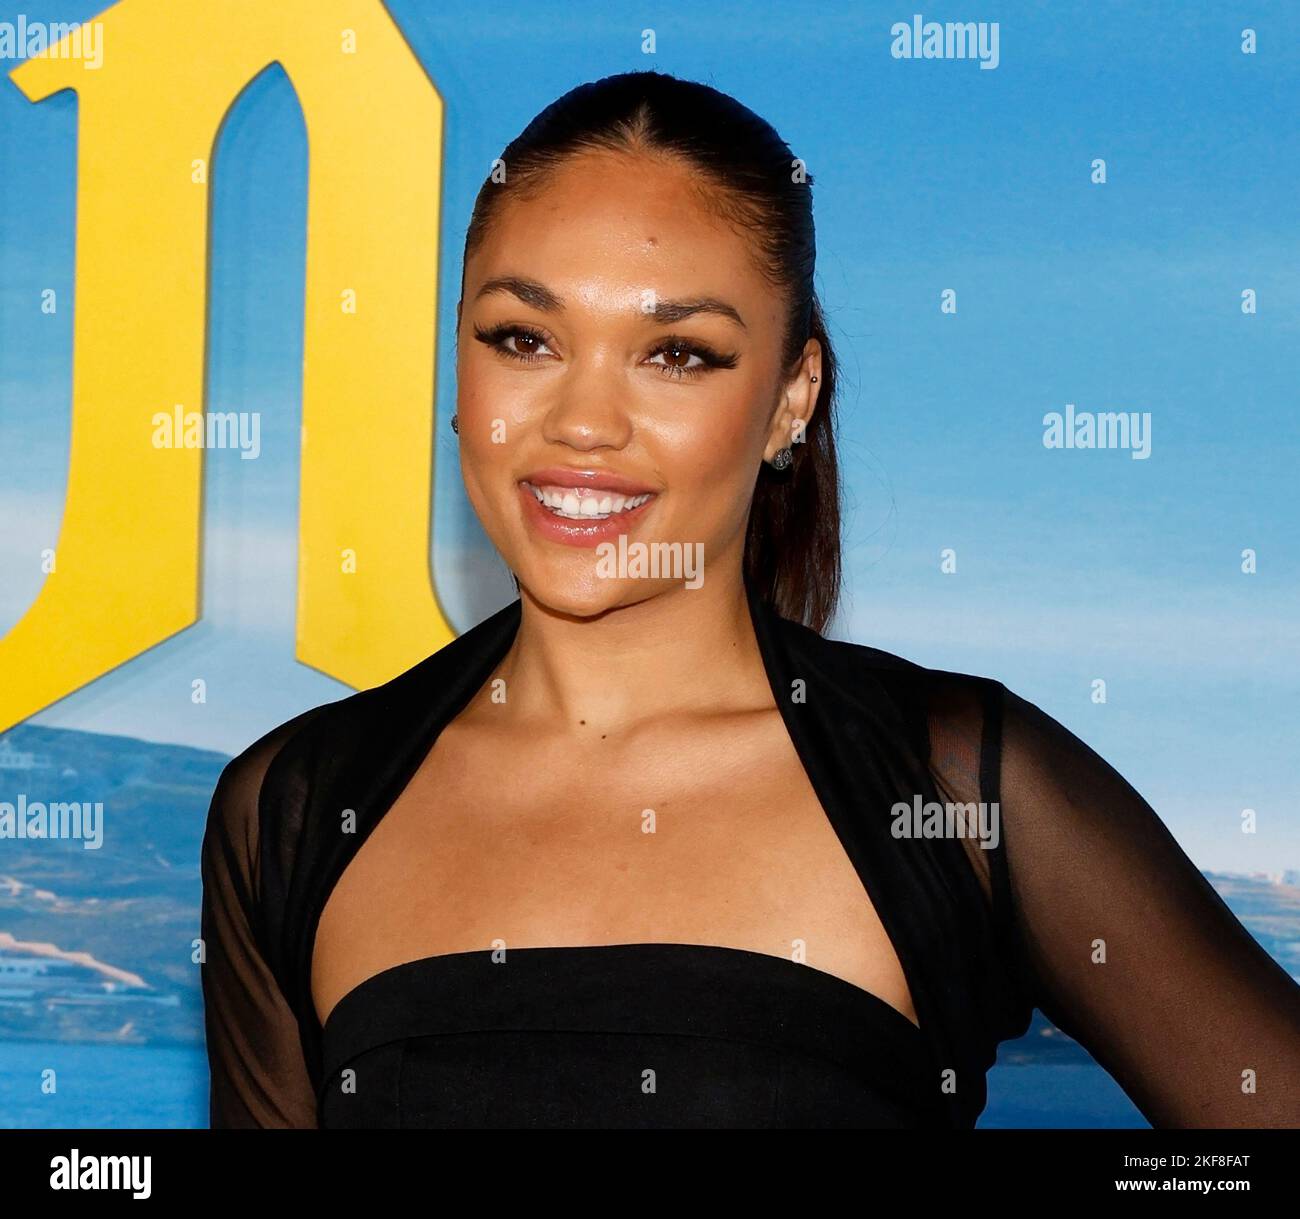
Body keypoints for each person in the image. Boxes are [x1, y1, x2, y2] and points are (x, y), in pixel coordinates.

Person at [199, 70, 1300, 1129]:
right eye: (523, 337)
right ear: (459, 365)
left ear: (791, 399)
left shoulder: (954, 788)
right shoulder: (293, 813)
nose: (584, 421)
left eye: (676, 353)